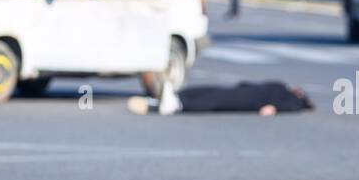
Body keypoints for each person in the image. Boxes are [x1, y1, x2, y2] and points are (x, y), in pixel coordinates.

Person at [127, 81, 314, 117]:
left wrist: (274, 108)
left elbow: (290, 107)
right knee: (209, 90)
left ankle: (179, 105)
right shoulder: (282, 87)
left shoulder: (292, 99)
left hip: (250, 100)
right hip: (245, 91)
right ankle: (175, 97)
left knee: (215, 101)